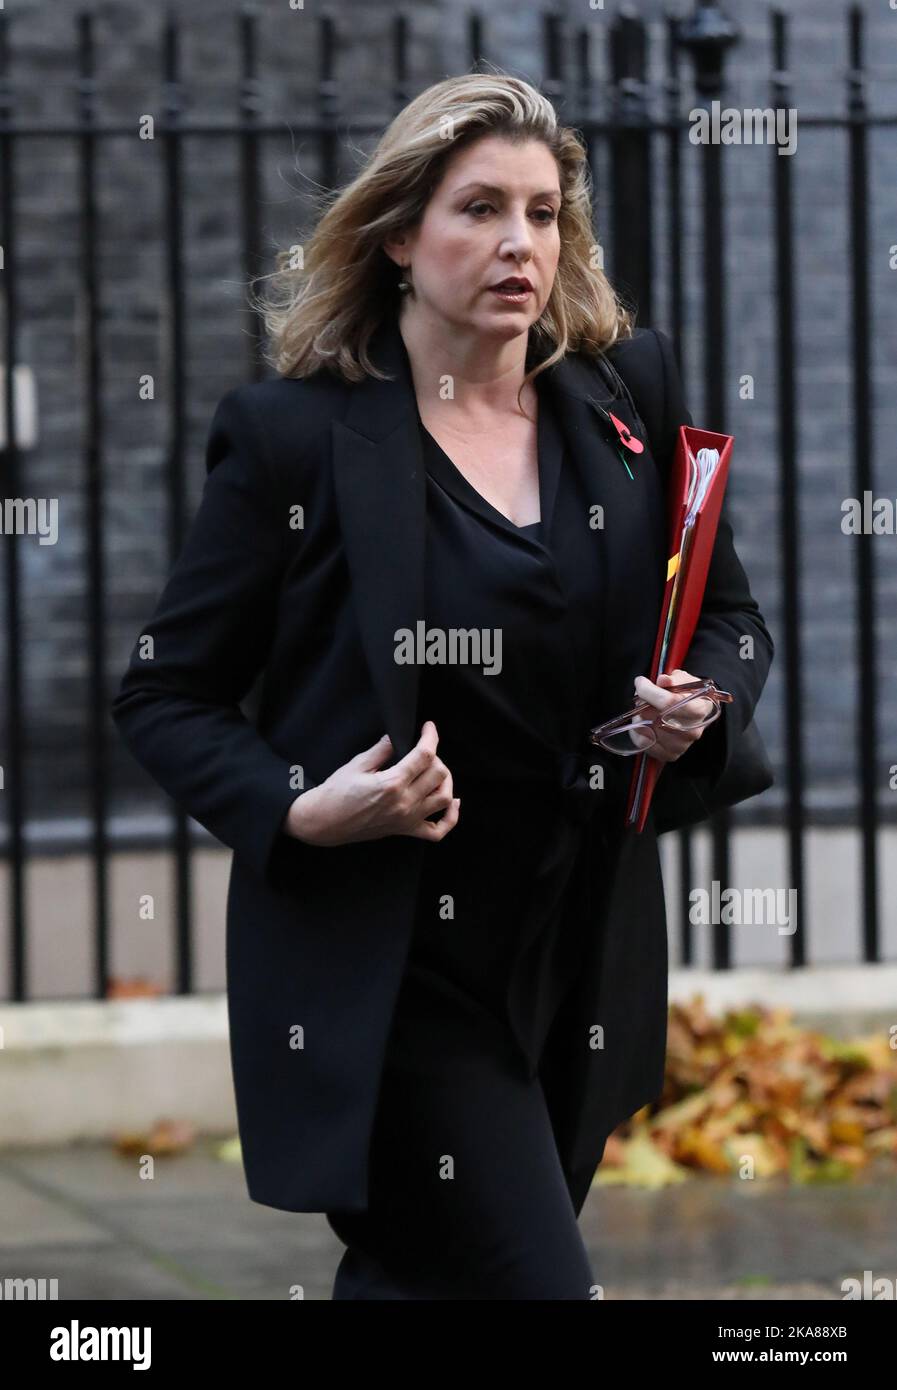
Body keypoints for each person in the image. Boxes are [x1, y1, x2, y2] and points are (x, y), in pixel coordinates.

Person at [110, 71, 774, 1300]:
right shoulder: (294, 438)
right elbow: (163, 692)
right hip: (397, 965)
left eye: (542, 212)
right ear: (400, 237)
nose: (521, 242)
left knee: (426, 1279)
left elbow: (729, 620)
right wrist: (299, 808)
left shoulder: (624, 398)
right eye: (480, 209)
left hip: (576, 947)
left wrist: (704, 703)